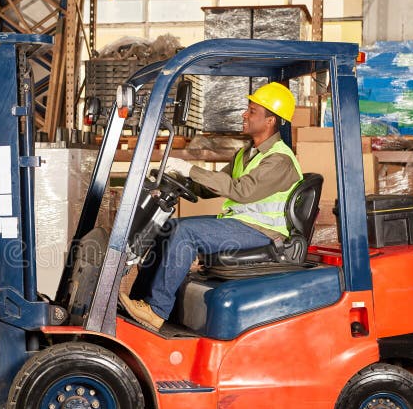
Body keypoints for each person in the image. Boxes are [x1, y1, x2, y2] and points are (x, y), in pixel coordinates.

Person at [119, 81, 303, 331]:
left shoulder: (279, 160)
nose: (244, 114)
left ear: (270, 121)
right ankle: (141, 302)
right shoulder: (248, 154)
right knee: (168, 226)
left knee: (186, 233)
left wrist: (191, 168)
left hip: (263, 232)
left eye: (252, 111)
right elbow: (210, 188)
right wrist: (178, 179)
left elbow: (242, 190)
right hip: (242, 224)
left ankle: (157, 309)